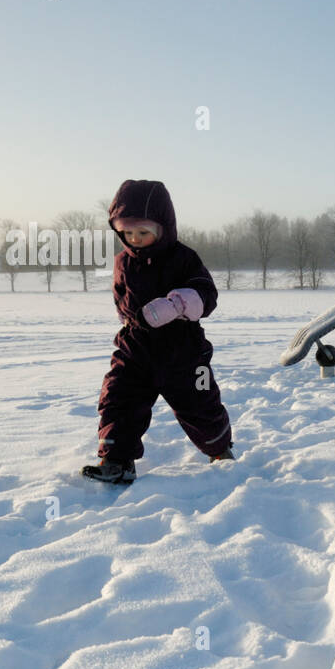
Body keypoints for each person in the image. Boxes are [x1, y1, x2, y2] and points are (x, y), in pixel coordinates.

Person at [82, 179, 234, 484]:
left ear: (163, 227)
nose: (135, 239)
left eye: (143, 232)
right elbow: (120, 296)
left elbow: (207, 295)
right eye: (127, 233)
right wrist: (130, 315)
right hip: (136, 348)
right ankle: (116, 460)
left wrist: (176, 305)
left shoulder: (183, 257)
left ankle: (219, 450)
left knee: (200, 403)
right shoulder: (122, 262)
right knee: (118, 398)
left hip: (182, 350)